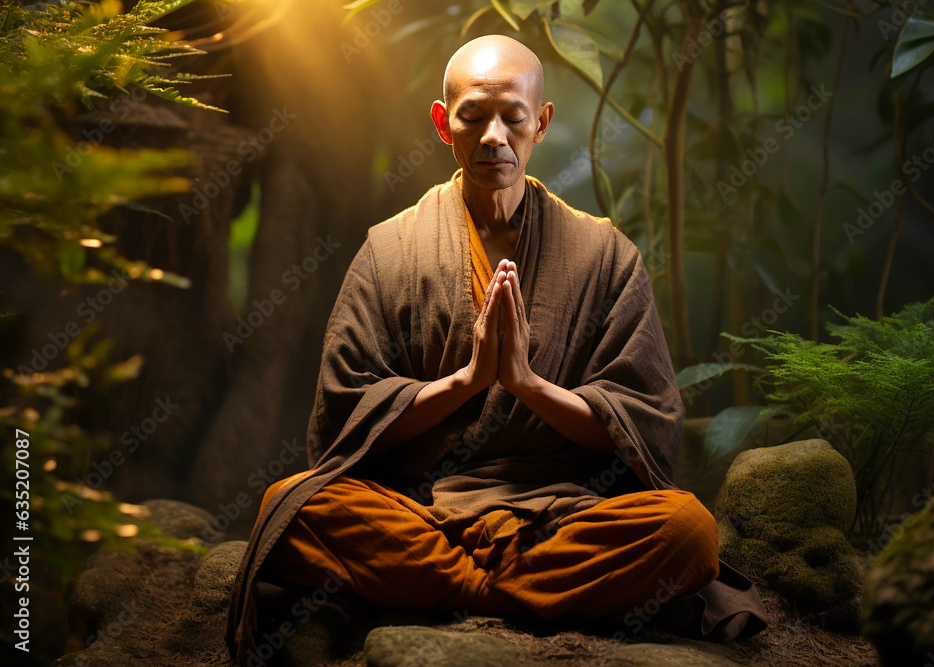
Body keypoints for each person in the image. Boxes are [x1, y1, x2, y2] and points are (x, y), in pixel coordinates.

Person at [225, 34, 767, 664]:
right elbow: (347, 412)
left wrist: (527, 384)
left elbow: (645, 420)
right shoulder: (389, 249)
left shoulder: (605, 255)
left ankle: (452, 590)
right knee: (294, 507)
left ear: (541, 122)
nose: (493, 136)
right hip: (423, 509)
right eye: (472, 116)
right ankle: (527, 594)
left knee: (688, 531)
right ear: (441, 121)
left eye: (512, 117)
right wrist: (468, 381)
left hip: (561, 514)